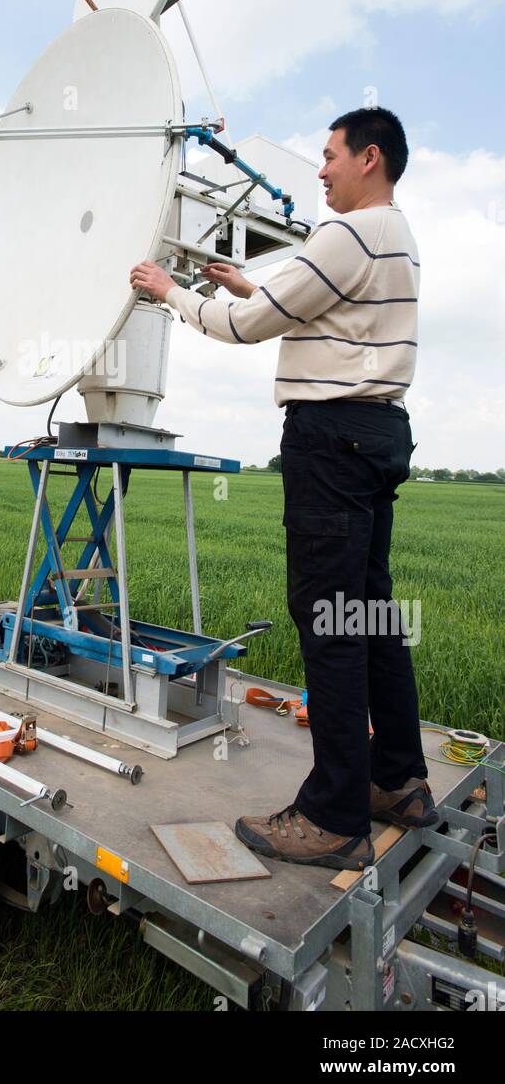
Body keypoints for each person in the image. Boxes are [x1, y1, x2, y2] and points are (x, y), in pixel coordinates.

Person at [130, 107, 438, 872]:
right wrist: (244, 282)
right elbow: (316, 307)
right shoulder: (393, 234)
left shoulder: (346, 233)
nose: (321, 170)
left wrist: (171, 292)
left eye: (329, 156)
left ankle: (331, 817)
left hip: (329, 442)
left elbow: (244, 328)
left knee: (328, 624)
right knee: (367, 610)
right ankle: (394, 778)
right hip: (373, 434)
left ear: (369, 157)